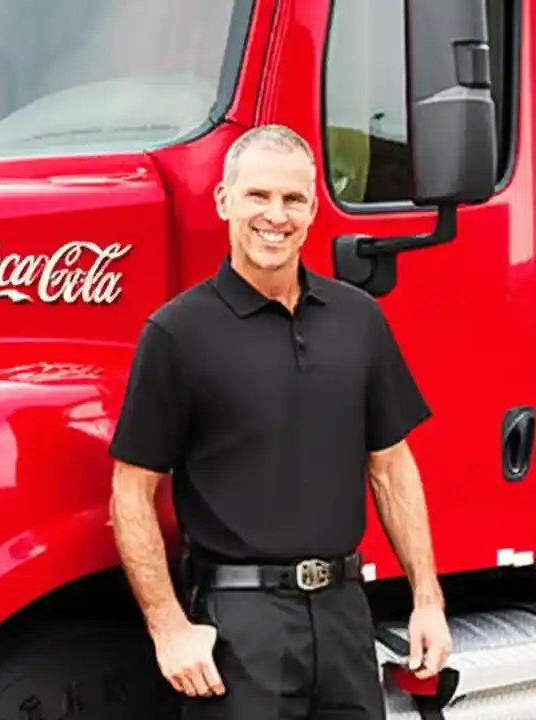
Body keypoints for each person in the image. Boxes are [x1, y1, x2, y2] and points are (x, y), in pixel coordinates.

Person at [108, 123, 450, 719]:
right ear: (224, 202)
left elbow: (391, 467)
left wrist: (427, 600)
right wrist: (168, 627)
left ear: (315, 210)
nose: (276, 215)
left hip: (344, 613)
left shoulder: (358, 319)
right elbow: (131, 493)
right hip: (242, 629)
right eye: (257, 196)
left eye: (293, 199)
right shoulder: (177, 333)